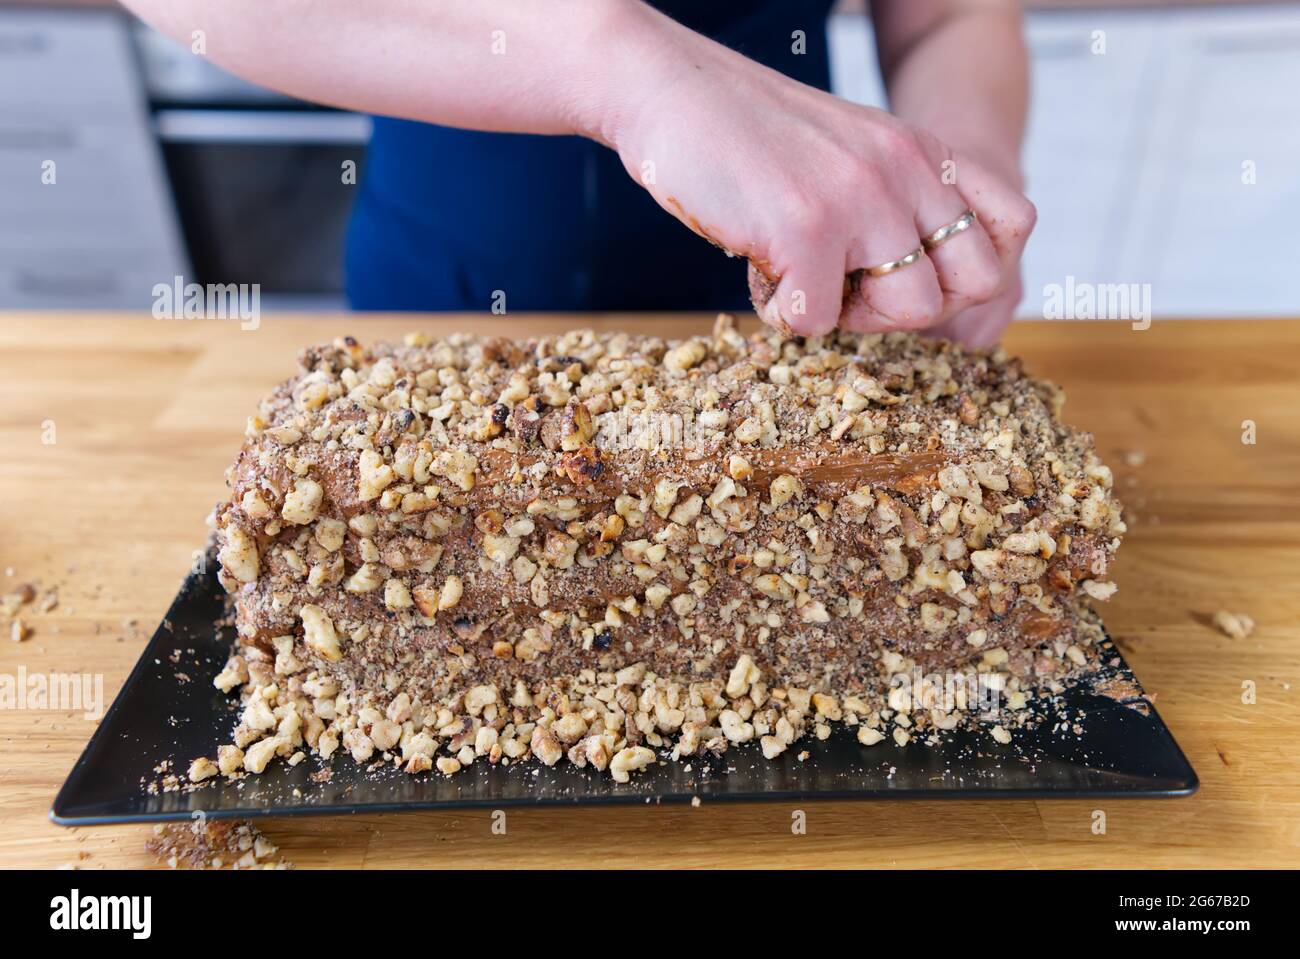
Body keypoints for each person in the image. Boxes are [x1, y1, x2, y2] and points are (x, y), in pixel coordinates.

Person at [122, 0, 1035, 345]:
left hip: (803, 294)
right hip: (448, 274)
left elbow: (949, 18)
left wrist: (957, 179)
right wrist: (631, 73)